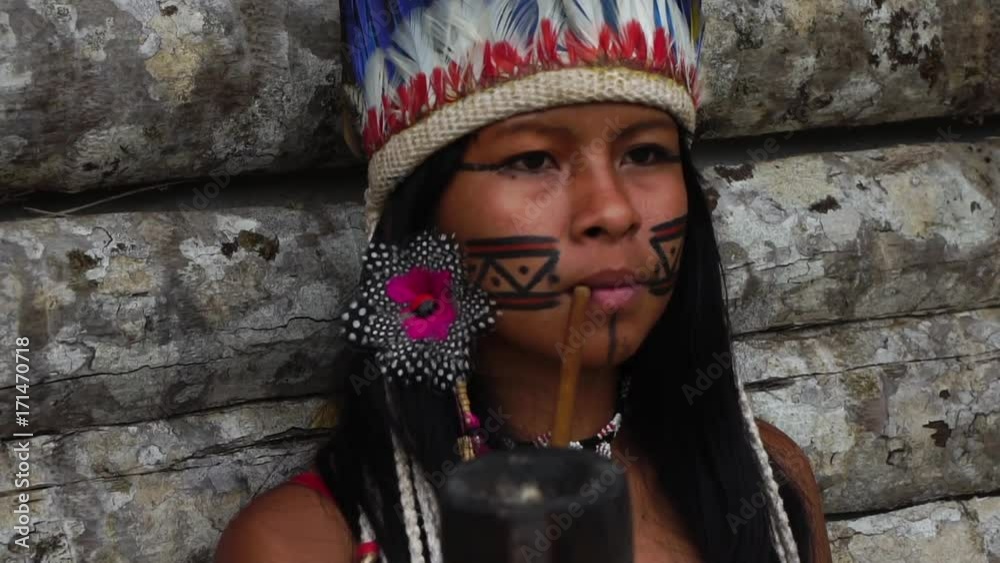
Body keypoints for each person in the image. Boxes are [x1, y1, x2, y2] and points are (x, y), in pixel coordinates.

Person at [216, 1, 833, 562]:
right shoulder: (302, 546)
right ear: (425, 218)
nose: (613, 211)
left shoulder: (765, 484)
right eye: (532, 159)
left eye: (645, 153)